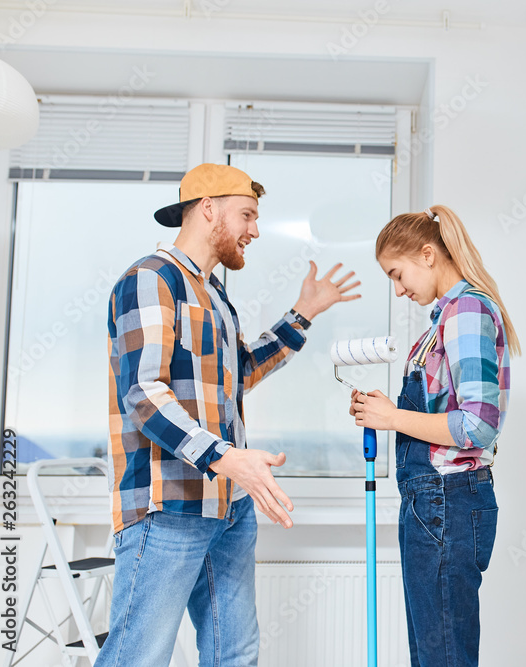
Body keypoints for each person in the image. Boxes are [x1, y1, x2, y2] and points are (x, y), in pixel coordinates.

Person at [99, 163, 360, 666]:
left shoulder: (214, 294)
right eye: (247, 215)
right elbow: (142, 392)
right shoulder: (151, 280)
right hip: (168, 505)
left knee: (235, 652)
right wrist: (224, 457)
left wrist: (302, 314)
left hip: (228, 505)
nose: (255, 231)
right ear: (208, 208)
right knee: (138, 656)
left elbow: (236, 372)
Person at [350, 204, 520, 666]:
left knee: (441, 656)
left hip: (448, 500)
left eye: (397, 274)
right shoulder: (440, 322)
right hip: (433, 501)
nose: (399, 290)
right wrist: (380, 411)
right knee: (433, 654)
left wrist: (393, 418)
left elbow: (477, 423)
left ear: (427, 254)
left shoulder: (466, 310)